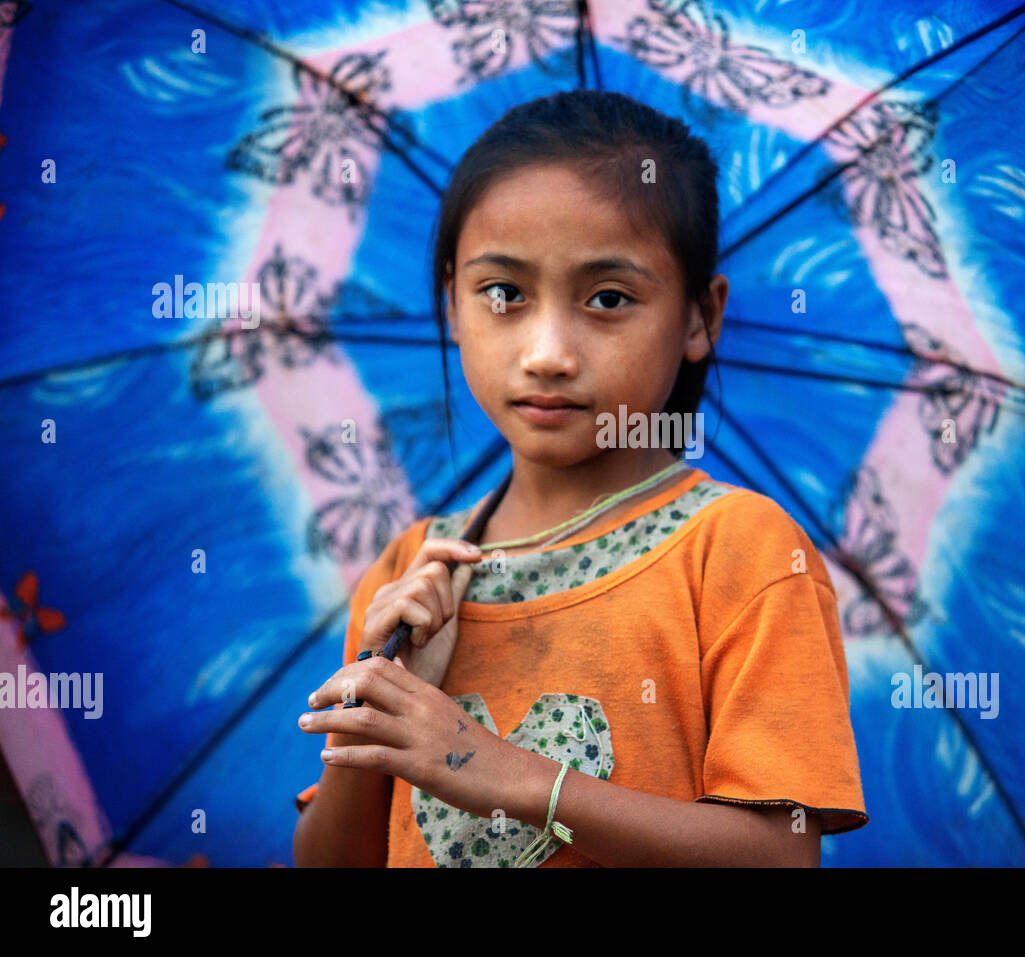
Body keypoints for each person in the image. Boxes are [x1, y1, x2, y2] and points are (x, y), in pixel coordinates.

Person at [292, 89, 867, 867]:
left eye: (607, 298)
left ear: (702, 316)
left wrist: (509, 775)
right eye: (504, 294)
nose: (548, 351)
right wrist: (378, 685)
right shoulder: (411, 575)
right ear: (451, 305)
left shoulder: (740, 551)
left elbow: (780, 854)